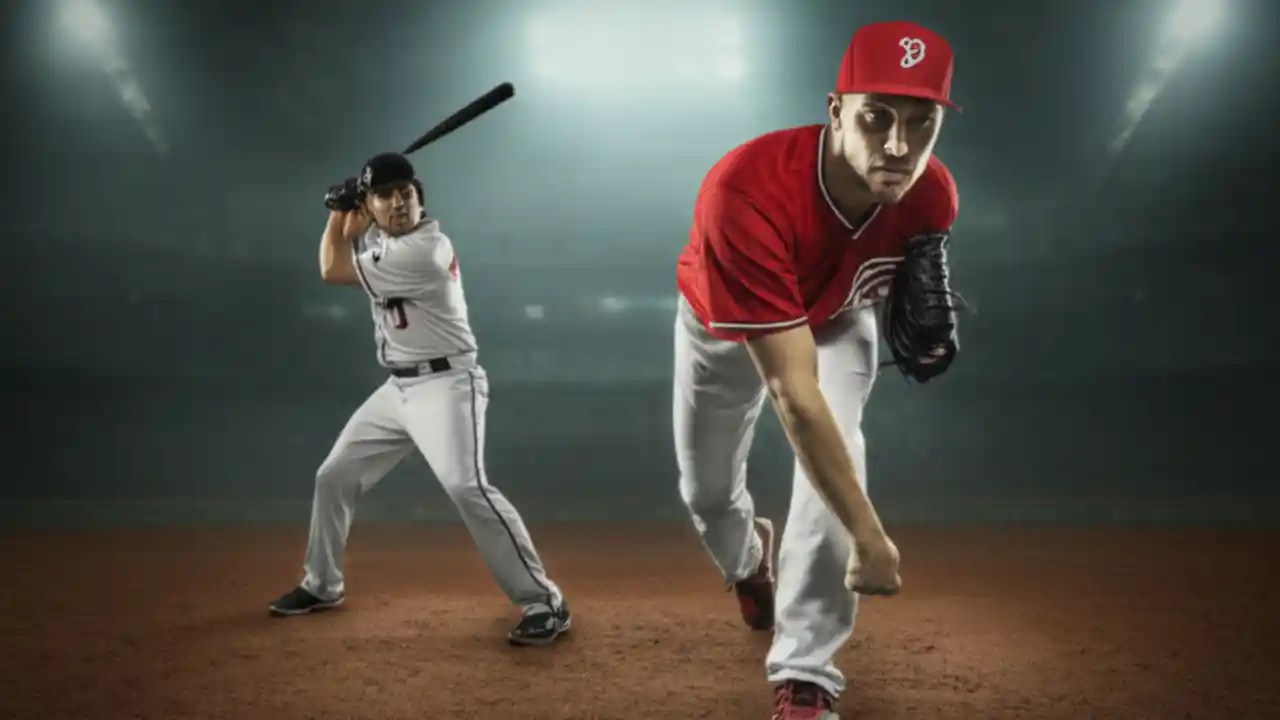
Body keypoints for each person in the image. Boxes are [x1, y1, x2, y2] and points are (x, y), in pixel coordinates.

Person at [672, 20, 964, 719]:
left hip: (836, 318)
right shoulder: (744, 190)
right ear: (835, 111)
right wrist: (869, 535)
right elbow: (792, 394)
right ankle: (748, 560)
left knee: (839, 454)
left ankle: (806, 673)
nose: (899, 145)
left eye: (921, 123)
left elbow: (826, 390)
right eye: (876, 117)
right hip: (723, 327)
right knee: (707, 494)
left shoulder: (932, 195)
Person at [268, 152, 571, 647]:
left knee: (467, 487)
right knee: (333, 477)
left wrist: (337, 212)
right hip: (398, 389)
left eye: (405, 192)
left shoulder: (424, 250)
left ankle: (543, 600)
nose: (398, 202)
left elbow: (331, 267)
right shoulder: (381, 239)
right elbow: (357, 240)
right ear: (372, 206)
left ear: (419, 199)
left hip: (447, 385)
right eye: (385, 195)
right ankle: (321, 583)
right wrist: (353, 211)